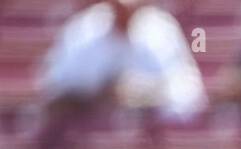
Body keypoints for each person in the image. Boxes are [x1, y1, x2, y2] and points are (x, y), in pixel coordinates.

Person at [38, 0, 206, 121]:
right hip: (89, 142)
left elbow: (188, 96)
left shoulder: (160, 28)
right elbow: (53, 92)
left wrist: (140, 94)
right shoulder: (85, 28)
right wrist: (98, 93)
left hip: (146, 144)